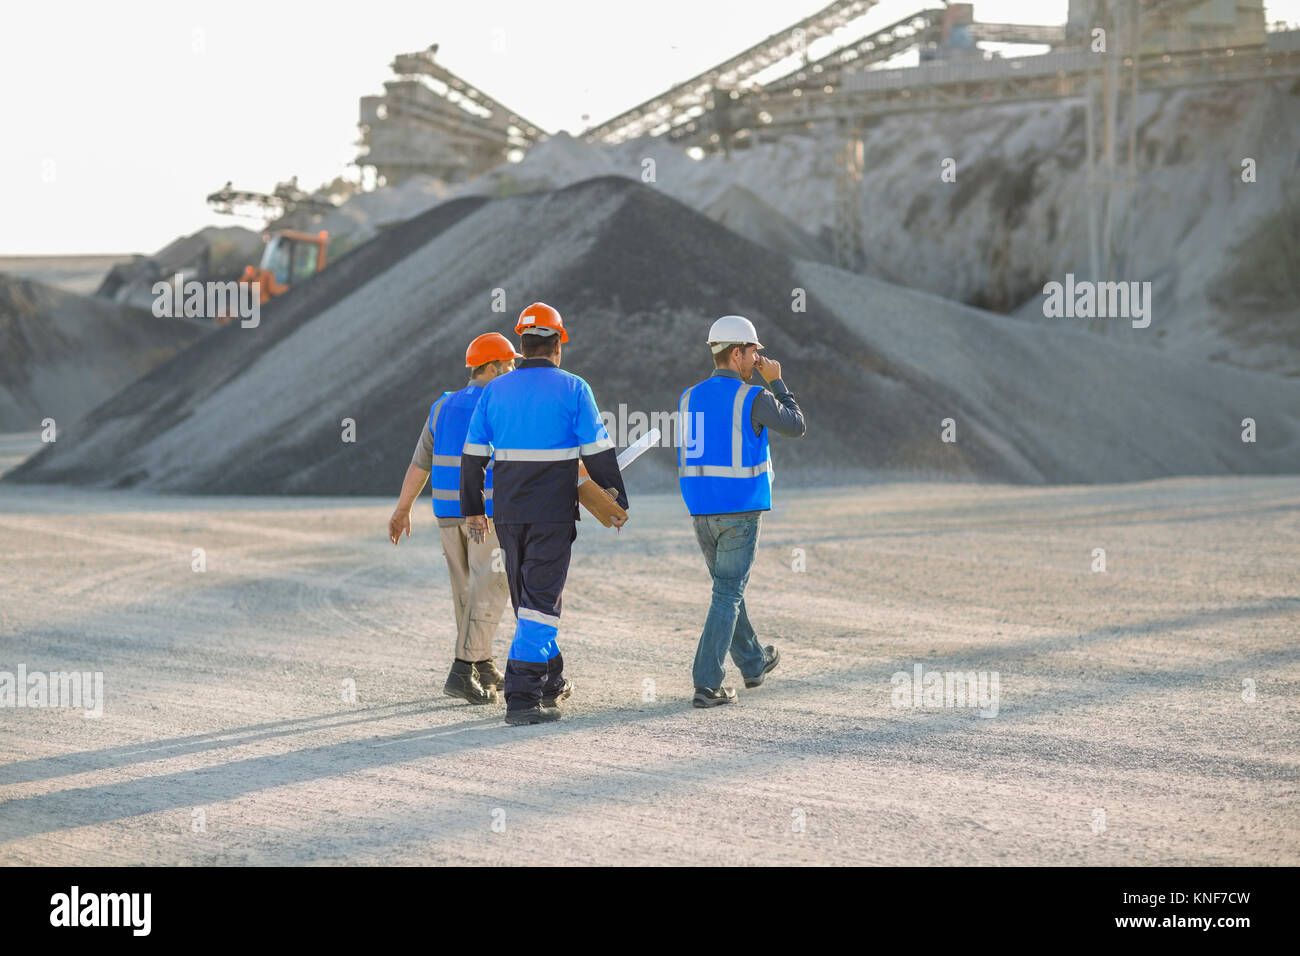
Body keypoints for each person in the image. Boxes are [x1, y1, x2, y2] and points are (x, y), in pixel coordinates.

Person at [460, 302, 628, 726]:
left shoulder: (495, 391)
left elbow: (472, 457)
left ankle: (551, 681)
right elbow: (598, 450)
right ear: (558, 345)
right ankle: (521, 697)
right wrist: (616, 499)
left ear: (522, 344)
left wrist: (473, 509)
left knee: (528, 599)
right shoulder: (574, 388)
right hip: (553, 512)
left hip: (509, 513)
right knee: (538, 603)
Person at [677, 315, 805, 708]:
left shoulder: (688, 396)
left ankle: (752, 663)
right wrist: (777, 381)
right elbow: (796, 425)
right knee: (728, 593)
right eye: (754, 351)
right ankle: (706, 682)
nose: (758, 358)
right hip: (739, 512)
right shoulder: (753, 397)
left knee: (726, 592)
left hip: (701, 511)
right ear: (736, 353)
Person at [388, 332, 522, 705]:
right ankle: (462, 671)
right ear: (493, 367)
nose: (513, 370)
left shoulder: (442, 406)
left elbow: (420, 462)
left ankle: (482, 663)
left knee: (466, 592)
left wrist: (402, 509)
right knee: (490, 589)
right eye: (510, 364)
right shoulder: (501, 402)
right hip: (487, 514)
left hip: (447, 515)